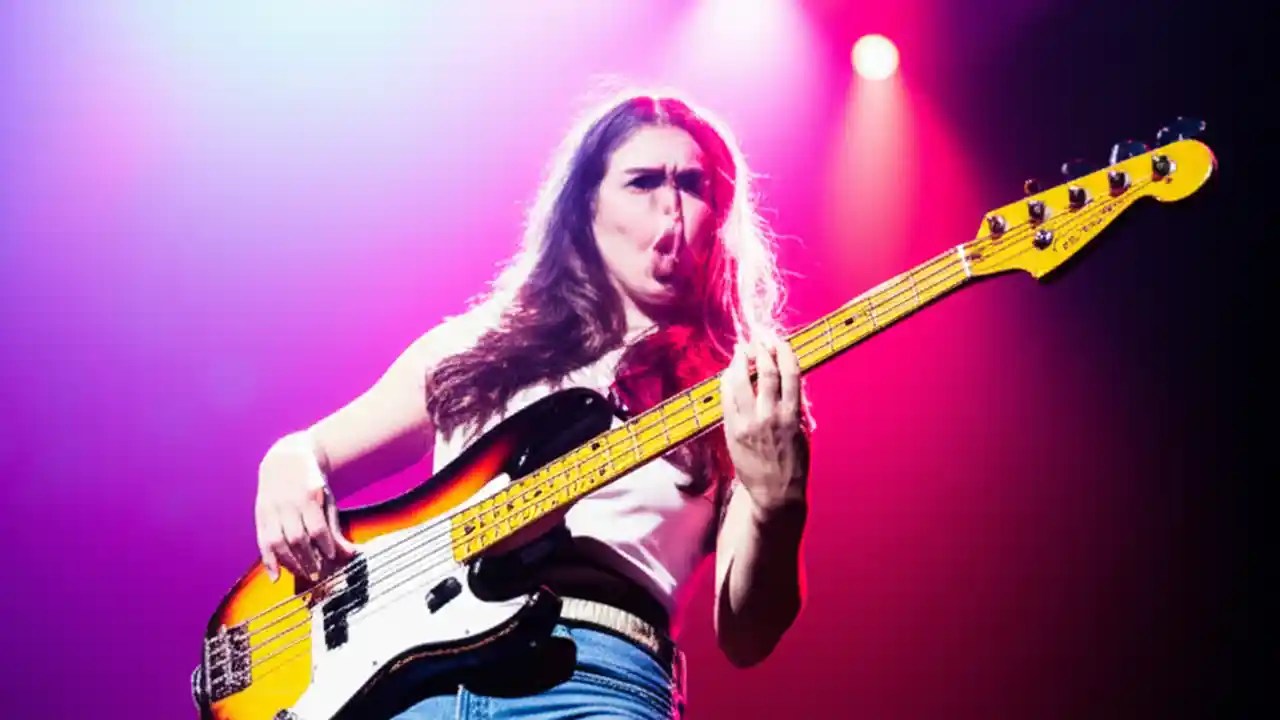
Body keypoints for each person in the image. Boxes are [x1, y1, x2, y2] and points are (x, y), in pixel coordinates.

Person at [252, 90, 816, 719]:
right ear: (586, 205)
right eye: (642, 181)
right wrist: (286, 467)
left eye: (692, 184)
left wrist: (777, 502)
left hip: (592, 680)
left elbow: (747, 635)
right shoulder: (475, 344)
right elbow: (314, 451)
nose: (671, 206)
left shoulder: (739, 393)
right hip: (411, 684)